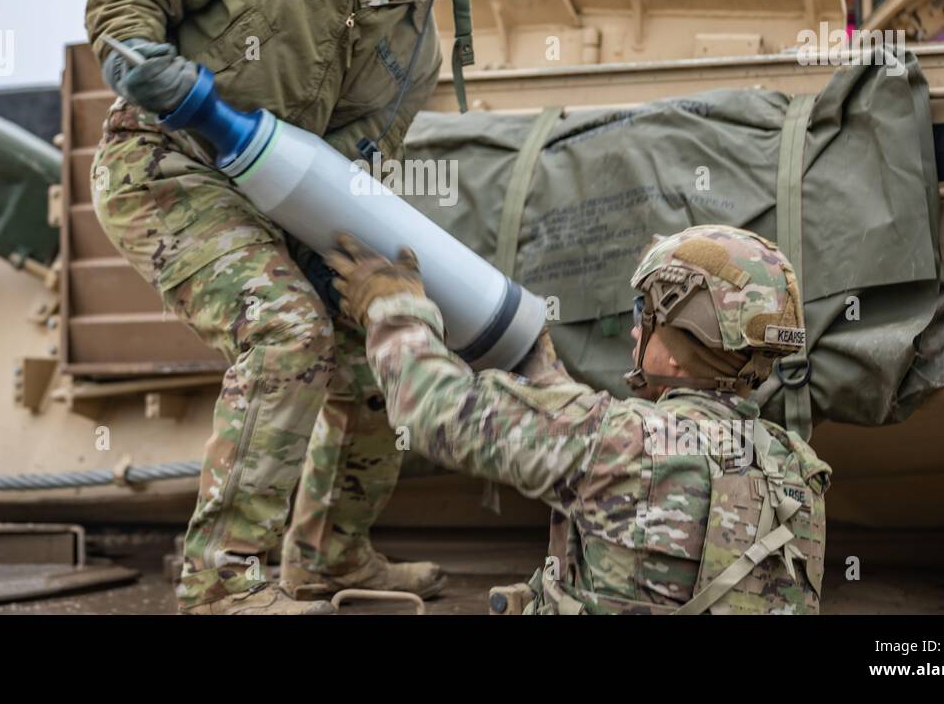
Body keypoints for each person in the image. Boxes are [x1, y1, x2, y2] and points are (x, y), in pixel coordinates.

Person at [84, 0, 508, 614]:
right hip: (163, 163)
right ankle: (221, 584)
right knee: (286, 330)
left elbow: (357, 170)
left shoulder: (416, 44)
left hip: (282, 206)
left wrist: (361, 280)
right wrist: (138, 53)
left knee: (389, 339)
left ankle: (329, 555)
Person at [327, 224, 833, 614]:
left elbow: (431, 407)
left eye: (645, 318)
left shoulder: (615, 442)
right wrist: (538, 367)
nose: (635, 335)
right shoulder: (796, 469)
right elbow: (593, 436)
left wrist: (391, 308)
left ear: (678, 355)